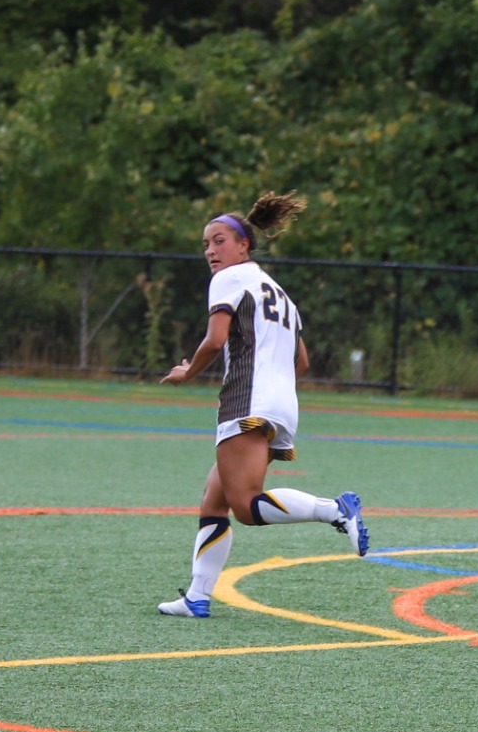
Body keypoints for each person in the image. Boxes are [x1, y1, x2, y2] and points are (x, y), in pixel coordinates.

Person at [155, 192, 366, 617]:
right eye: (206, 244)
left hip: (247, 399)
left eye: (219, 241)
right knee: (214, 501)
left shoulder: (229, 279)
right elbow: (301, 360)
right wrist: (274, 387)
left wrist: (187, 373)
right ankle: (197, 596)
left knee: (247, 507)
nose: (211, 251)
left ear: (243, 245)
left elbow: (215, 340)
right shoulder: (279, 292)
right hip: (280, 403)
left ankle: (335, 509)